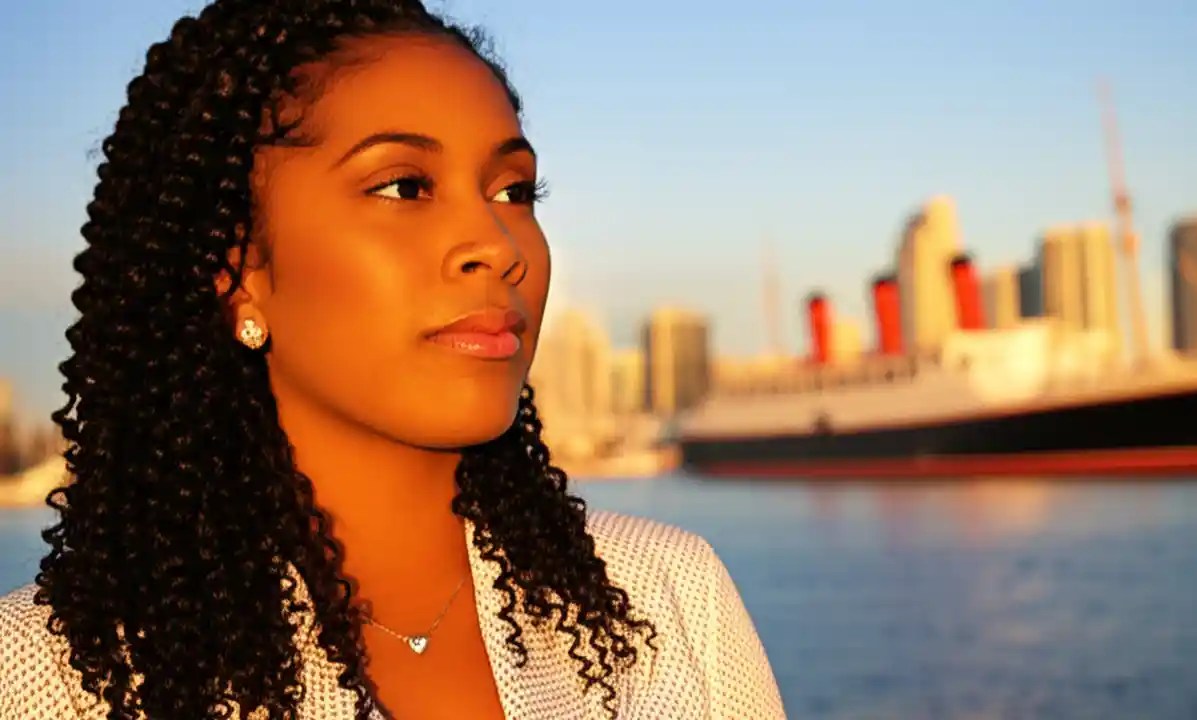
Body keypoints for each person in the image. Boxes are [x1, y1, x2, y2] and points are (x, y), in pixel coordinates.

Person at [0, 1, 786, 718]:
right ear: (238, 273)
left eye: (514, 191)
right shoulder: (48, 678)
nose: (496, 245)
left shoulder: (672, 603)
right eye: (406, 187)